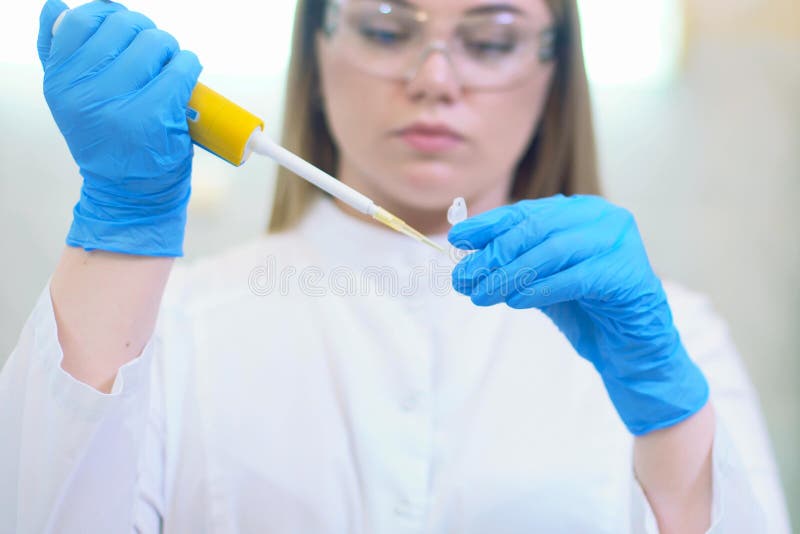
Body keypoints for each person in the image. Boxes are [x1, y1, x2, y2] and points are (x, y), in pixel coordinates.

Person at [0, 0, 791, 532]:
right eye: (385, 29)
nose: (435, 79)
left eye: (491, 40)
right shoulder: (171, 329)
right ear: (316, 47)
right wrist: (124, 226)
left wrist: (670, 417)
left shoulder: (677, 335)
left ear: (555, 72)